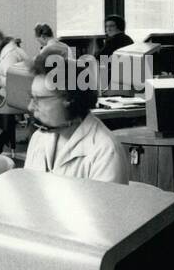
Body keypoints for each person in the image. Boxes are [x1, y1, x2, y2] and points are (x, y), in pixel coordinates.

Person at [23, 53, 129, 183]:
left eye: (38, 99)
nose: (30, 107)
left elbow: (104, 204)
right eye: (31, 97)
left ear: (70, 99)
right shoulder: (39, 138)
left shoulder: (105, 151)